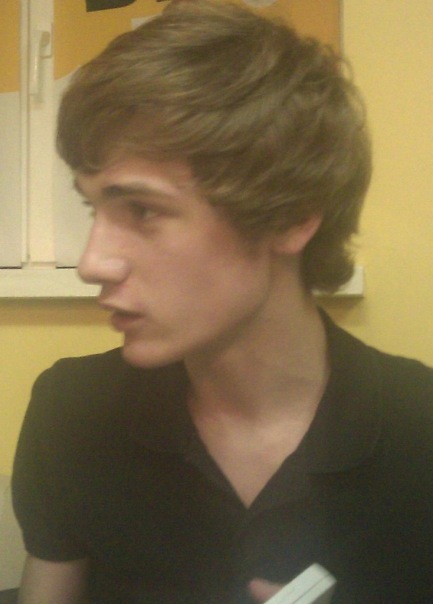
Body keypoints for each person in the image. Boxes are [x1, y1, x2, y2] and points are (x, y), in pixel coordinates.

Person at [12, 1, 433, 603]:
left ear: (291, 216)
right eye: (93, 207)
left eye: (142, 210)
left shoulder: (420, 430)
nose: (91, 263)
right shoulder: (73, 412)